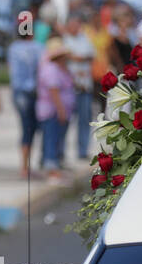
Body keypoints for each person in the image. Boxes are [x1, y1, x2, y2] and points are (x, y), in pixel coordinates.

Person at [36, 38, 75, 180]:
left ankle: (55, 164)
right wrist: (61, 110)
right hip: (52, 111)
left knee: (56, 138)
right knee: (51, 138)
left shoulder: (60, 68)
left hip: (58, 110)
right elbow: (54, 92)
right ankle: (51, 167)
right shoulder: (50, 69)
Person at [8, 22, 43, 178]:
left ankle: (24, 165)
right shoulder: (37, 48)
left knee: (25, 128)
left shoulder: (13, 48)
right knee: (31, 129)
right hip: (31, 91)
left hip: (18, 91)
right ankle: (25, 166)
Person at [62, 13, 97, 165]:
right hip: (69, 86)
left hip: (84, 85)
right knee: (66, 120)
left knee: (85, 119)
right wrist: (78, 58)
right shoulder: (64, 40)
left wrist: (77, 57)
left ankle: (82, 150)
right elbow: (67, 58)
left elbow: (91, 55)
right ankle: (61, 151)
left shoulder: (85, 39)